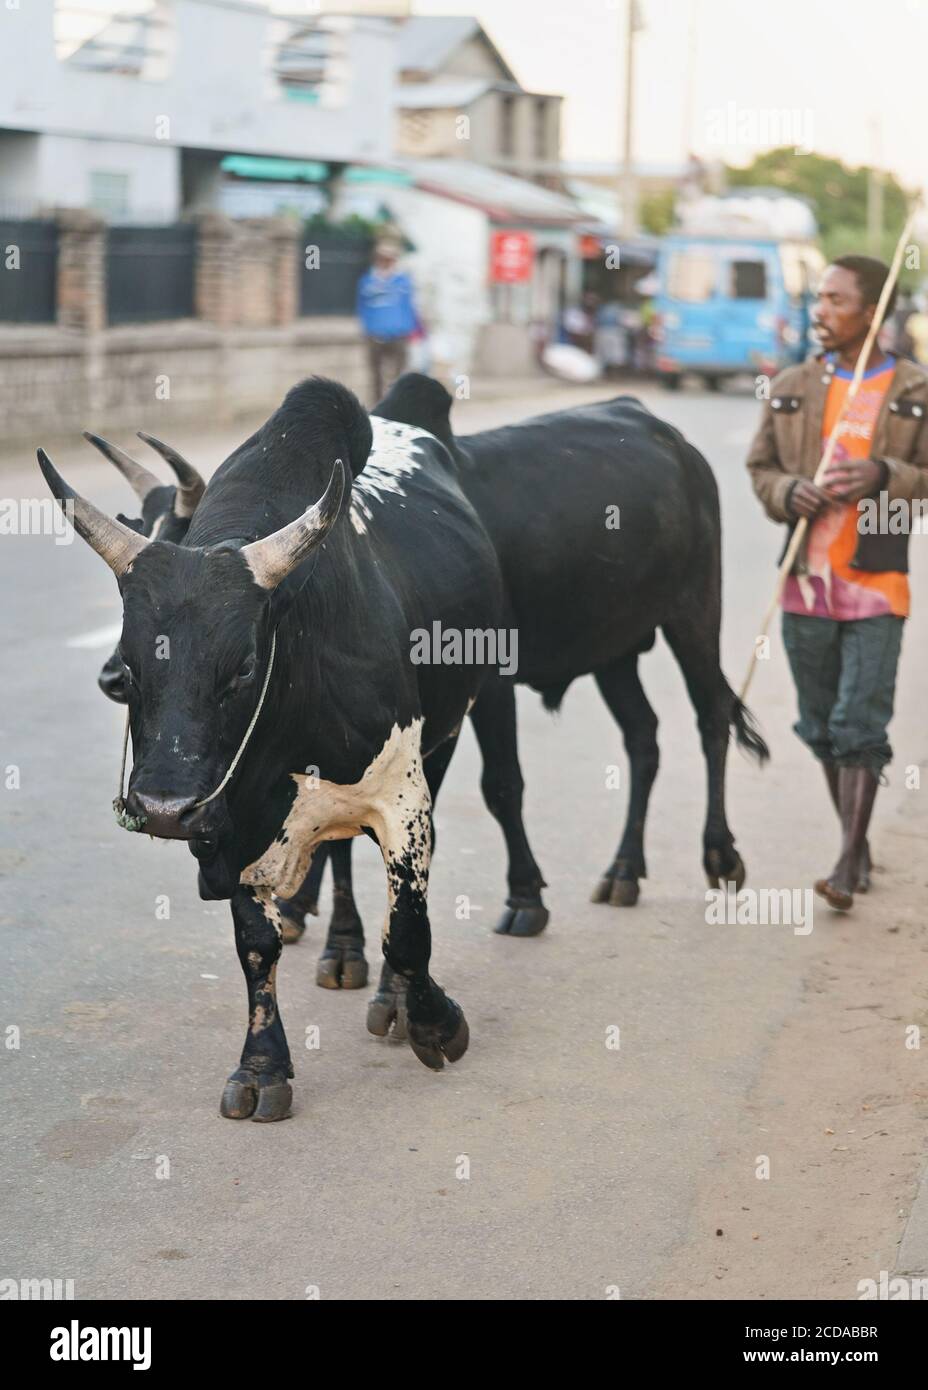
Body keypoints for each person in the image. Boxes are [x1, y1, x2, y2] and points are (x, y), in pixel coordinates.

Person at [747, 254, 928, 911]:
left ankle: (848, 863)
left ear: (873, 312)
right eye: (817, 298)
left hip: (878, 583)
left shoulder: (913, 388)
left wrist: (885, 474)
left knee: (860, 721)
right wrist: (786, 491)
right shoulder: (793, 382)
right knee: (821, 723)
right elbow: (759, 466)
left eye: (835, 300)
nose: (819, 311)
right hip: (805, 585)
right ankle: (857, 843)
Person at [356, 239, 420, 402]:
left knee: (399, 373)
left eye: (391, 258)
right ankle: (377, 404)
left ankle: (397, 403)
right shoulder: (367, 281)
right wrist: (367, 329)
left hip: (399, 333)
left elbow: (409, 306)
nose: (387, 261)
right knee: (376, 374)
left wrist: (412, 329)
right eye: (383, 257)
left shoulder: (403, 281)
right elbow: (362, 307)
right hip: (375, 333)